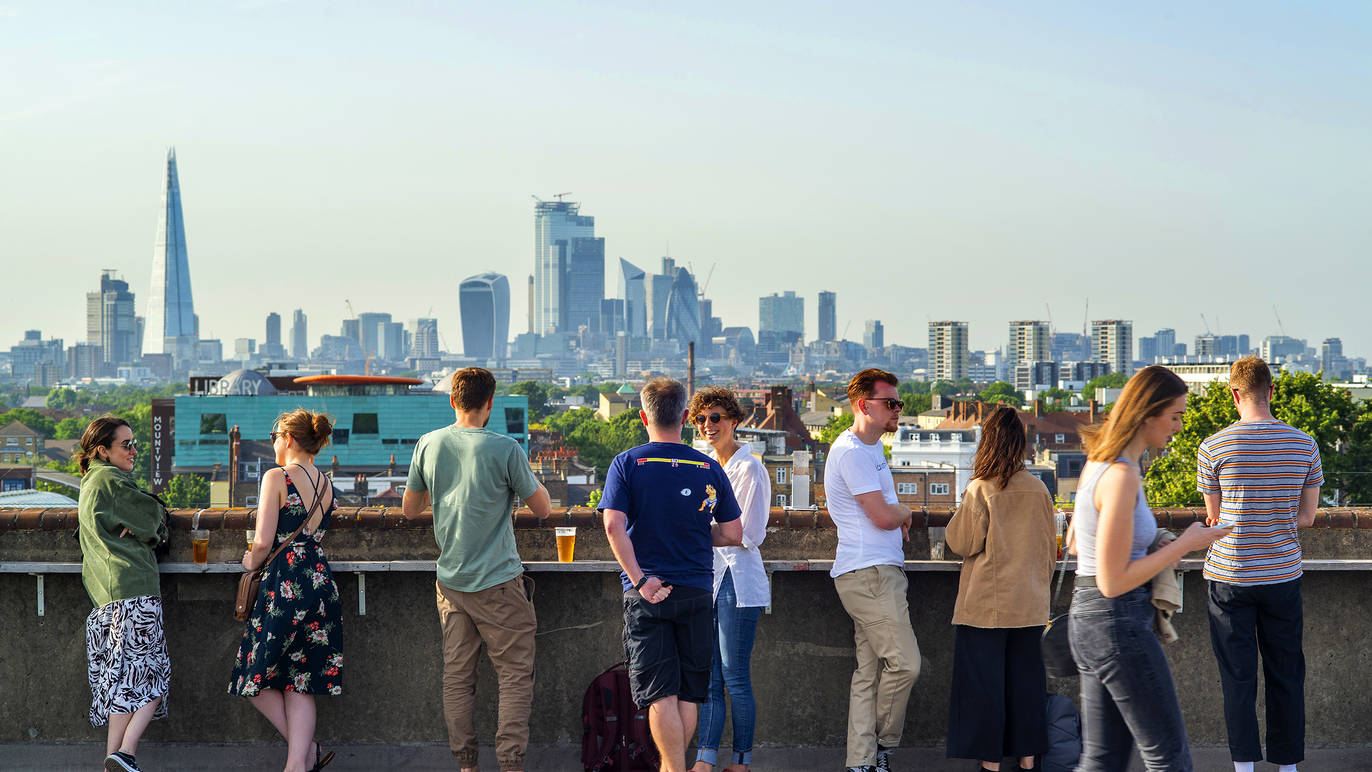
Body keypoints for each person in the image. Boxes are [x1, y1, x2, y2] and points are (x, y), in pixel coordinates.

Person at [1068, 365, 1232, 771]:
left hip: (1088, 621)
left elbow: (1076, 542)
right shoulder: (1122, 475)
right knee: (1168, 756)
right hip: (1116, 622)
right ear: (1147, 414)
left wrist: (1150, 542)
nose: (1178, 427)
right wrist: (1184, 544)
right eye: (1175, 416)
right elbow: (1112, 581)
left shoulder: (1099, 464)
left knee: (1102, 758)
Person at [403, 367, 552, 772]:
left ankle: (467, 764)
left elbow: (410, 509)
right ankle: (510, 764)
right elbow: (542, 509)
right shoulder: (505, 448)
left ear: (452, 401)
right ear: (489, 405)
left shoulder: (428, 444)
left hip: (451, 582)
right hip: (500, 583)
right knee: (515, 676)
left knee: (457, 677)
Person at [600, 377, 743, 772]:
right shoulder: (708, 466)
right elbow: (733, 532)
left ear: (644, 416)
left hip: (647, 594)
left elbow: (613, 526)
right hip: (697, 590)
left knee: (660, 695)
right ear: (684, 416)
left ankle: (673, 769)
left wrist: (641, 579)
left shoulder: (627, 463)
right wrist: (697, 531)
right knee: (689, 694)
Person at [1198, 357, 1321, 772]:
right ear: (1272, 391)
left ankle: (1244, 766)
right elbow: (1306, 517)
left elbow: (1215, 519)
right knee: (1286, 671)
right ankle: (1287, 766)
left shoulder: (1213, 447)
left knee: (1238, 676)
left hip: (1230, 575)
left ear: (1234, 394)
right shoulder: (1304, 444)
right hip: (1282, 573)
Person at [228, 409, 343, 772]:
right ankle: (299, 762)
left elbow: (262, 542)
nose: (273, 441)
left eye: (275, 435)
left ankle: (304, 755)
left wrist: (249, 562)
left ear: (288, 438)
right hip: (320, 583)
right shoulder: (326, 482)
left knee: (254, 676)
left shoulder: (276, 476)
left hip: (285, 584)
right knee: (301, 679)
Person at [945, 405, 1056, 771]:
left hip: (986, 609)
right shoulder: (1039, 489)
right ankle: (1028, 763)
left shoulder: (981, 489)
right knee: (1026, 690)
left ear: (988, 443)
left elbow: (962, 542)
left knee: (986, 692)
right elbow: (1048, 550)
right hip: (1030, 606)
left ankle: (990, 767)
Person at [824, 368, 919, 772]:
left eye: (898, 403)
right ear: (864, 405)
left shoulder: (870, 449)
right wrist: (906, 513)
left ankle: (861, 763)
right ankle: (884, 745)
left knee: (870, 671)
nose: (898, 410)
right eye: (890, 403)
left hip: (873, 571)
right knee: (905, 663)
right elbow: (882, 516)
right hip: (870, 574)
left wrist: (896, 517)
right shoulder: (851, 453)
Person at [76, 416, 171, 772]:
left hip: (105, 596)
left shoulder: (89, 483)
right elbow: (154, 518)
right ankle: (127, 752)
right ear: (102, 450)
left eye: (135, 444)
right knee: (155, 678)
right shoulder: (112, 480)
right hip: (134, 591)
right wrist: (156, 524)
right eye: (126, 445)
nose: (134, 451)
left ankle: (113, 760)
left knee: (125, 684)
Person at [687, 387, 771, 772]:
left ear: (734, 421)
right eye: (701, 419)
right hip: (708, 578)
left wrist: (687, 532)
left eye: (716, 418)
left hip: (737, 581)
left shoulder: (749, 468)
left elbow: (745, 533)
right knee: (708, 679)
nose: (708, 425)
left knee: (735, 676)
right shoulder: (699, 464)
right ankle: (704, 759)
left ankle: (741, 761)